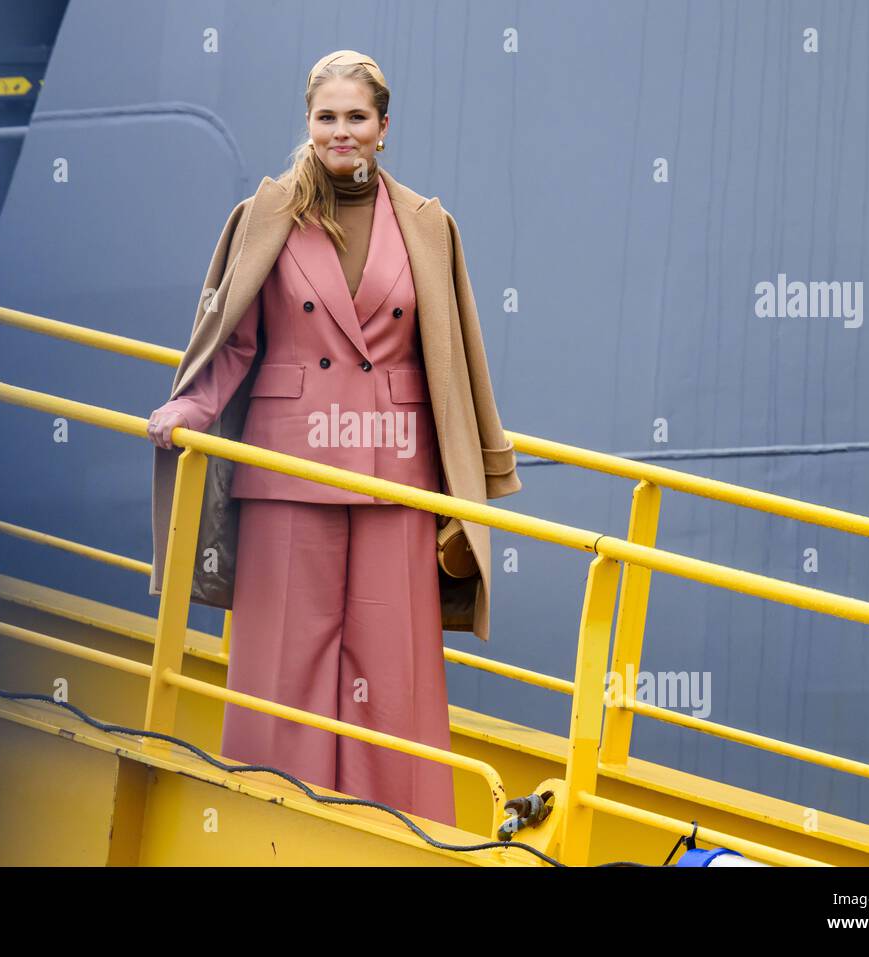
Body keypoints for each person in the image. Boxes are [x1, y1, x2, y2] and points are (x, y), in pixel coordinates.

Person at [146, 51, 521, 827]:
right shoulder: (268, 214)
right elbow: (235, 342)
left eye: (357, 117)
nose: (341, 131)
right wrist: (192, 406)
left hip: (394, 472)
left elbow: (452, 356)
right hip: (288, 465)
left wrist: (475, 470)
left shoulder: (427, 224)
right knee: (282, 666)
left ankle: (405, 835)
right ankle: (268, 824)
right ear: (309, 124)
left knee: (395, 672)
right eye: (327, 117)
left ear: (384, 128)